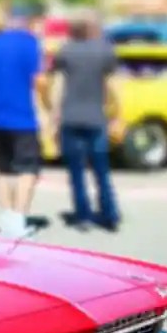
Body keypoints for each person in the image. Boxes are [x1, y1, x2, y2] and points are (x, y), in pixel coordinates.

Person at [0, 6, 52, 238]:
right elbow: (41, 80)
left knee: (3, 167)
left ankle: (6, 214)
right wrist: (48, 106)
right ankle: (18, 217)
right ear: (26, 21)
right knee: (29, 169)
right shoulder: (30, 44)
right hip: (23, 117)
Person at [52, 13, 121, 231]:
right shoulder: (105, 51)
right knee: (101, 169)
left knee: (76, 171)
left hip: (70, 117)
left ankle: (83, 215)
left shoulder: (65, 52)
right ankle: (109, 214)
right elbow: (112, 84)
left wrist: (55, 114)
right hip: (96, 117)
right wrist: (117, 113)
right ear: (92, 30)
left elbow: (58, 84)